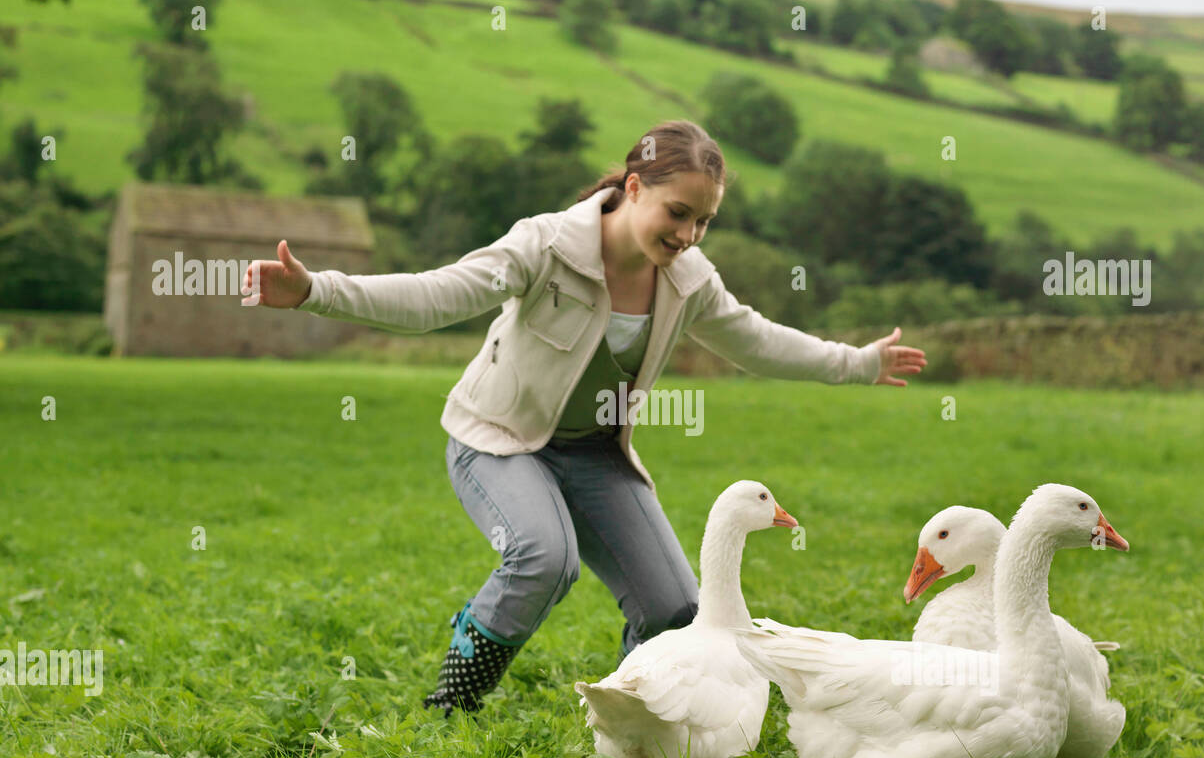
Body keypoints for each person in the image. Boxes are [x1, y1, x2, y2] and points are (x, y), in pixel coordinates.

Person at [242, 119, 926, 716]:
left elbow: (756, 340)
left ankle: (637, 718)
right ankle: (453, 699)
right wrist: (315, 291)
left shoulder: (689, 281)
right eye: (678, 212)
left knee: (676, 610)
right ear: (634, 188)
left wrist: (857, 363)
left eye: (704, 221)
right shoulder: (544, 246)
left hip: (595, 453)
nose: (688, 235)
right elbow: (438, 294)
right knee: (544, 555)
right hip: (499, 440)